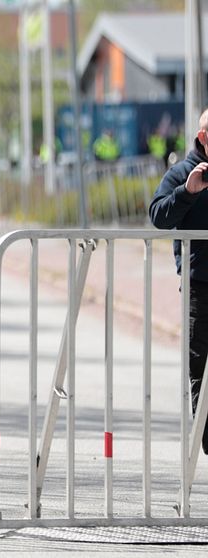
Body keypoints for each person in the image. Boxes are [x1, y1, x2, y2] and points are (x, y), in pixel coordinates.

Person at [148, 107, 208, 455]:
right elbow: (158, 215)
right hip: (201, 285)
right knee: (200, 367)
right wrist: (188, 191)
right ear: (203, 138)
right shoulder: (182, 173)